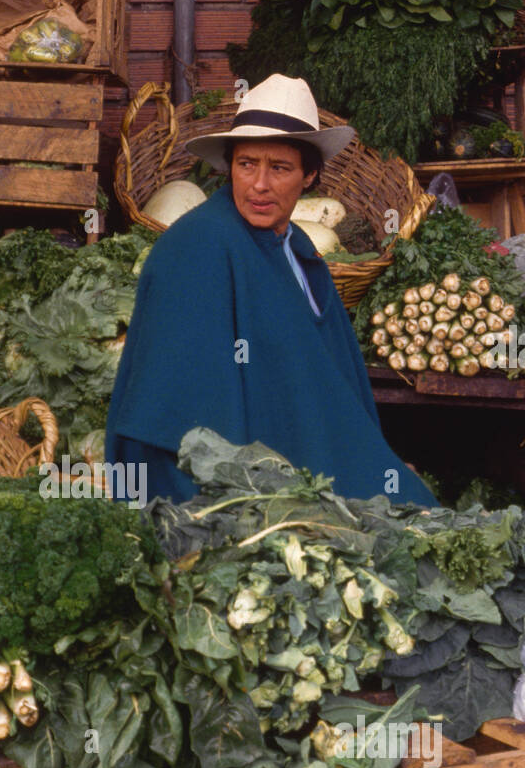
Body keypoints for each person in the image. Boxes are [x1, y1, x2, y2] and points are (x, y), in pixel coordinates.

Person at [105, 73, 437, 508]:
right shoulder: (197, 246)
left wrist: (370, 457)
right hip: (211, 490)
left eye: (279, 168)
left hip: (292, 462)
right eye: (246, 164)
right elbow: (171, 408)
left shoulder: (296, 248)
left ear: (310, 176)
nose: (259, 184)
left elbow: (318, 379)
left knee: (413, 509)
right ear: (229, 167)